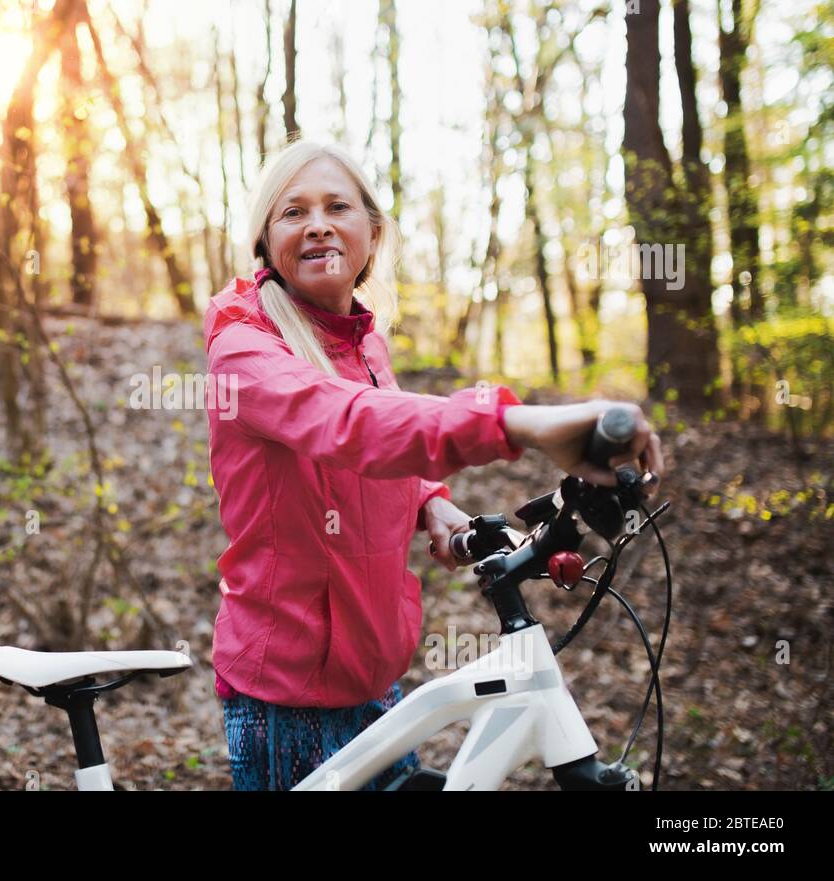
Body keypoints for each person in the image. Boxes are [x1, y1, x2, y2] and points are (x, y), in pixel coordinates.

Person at [204, 138, 664, 791]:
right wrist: (520, 423)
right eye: (293, 212)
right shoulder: (243, 348)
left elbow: (384, 432)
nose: (318, 225)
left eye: (337, 207)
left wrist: (431, 502)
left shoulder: (364, 343)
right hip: (284, 697)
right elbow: (345, 421)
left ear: (372, 232)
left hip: (374, 675)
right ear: (265, 241)